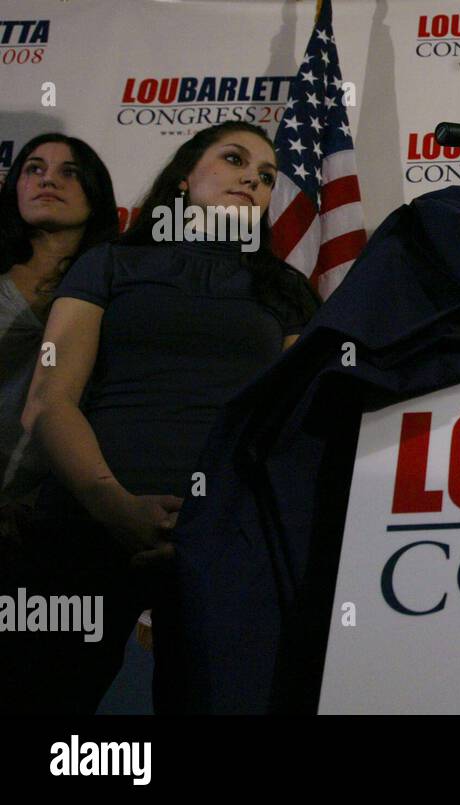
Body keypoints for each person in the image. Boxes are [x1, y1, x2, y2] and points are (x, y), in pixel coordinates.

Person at [4, 121, 319, 714]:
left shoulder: (289, 290)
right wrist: (113, 506)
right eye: (233, 159)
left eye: (267, 174)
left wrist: (214, 525)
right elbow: (48, 400)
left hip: (223, 539)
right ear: (184, 176)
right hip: (83, 522)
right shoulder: (109, 263)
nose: (253, 177)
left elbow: (289, 427)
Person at [0, 134, 117, 505]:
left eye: (70, 172)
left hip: (60, 509)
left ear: (95, 194)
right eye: (34, 169)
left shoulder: (119, 290)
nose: (48, 180)